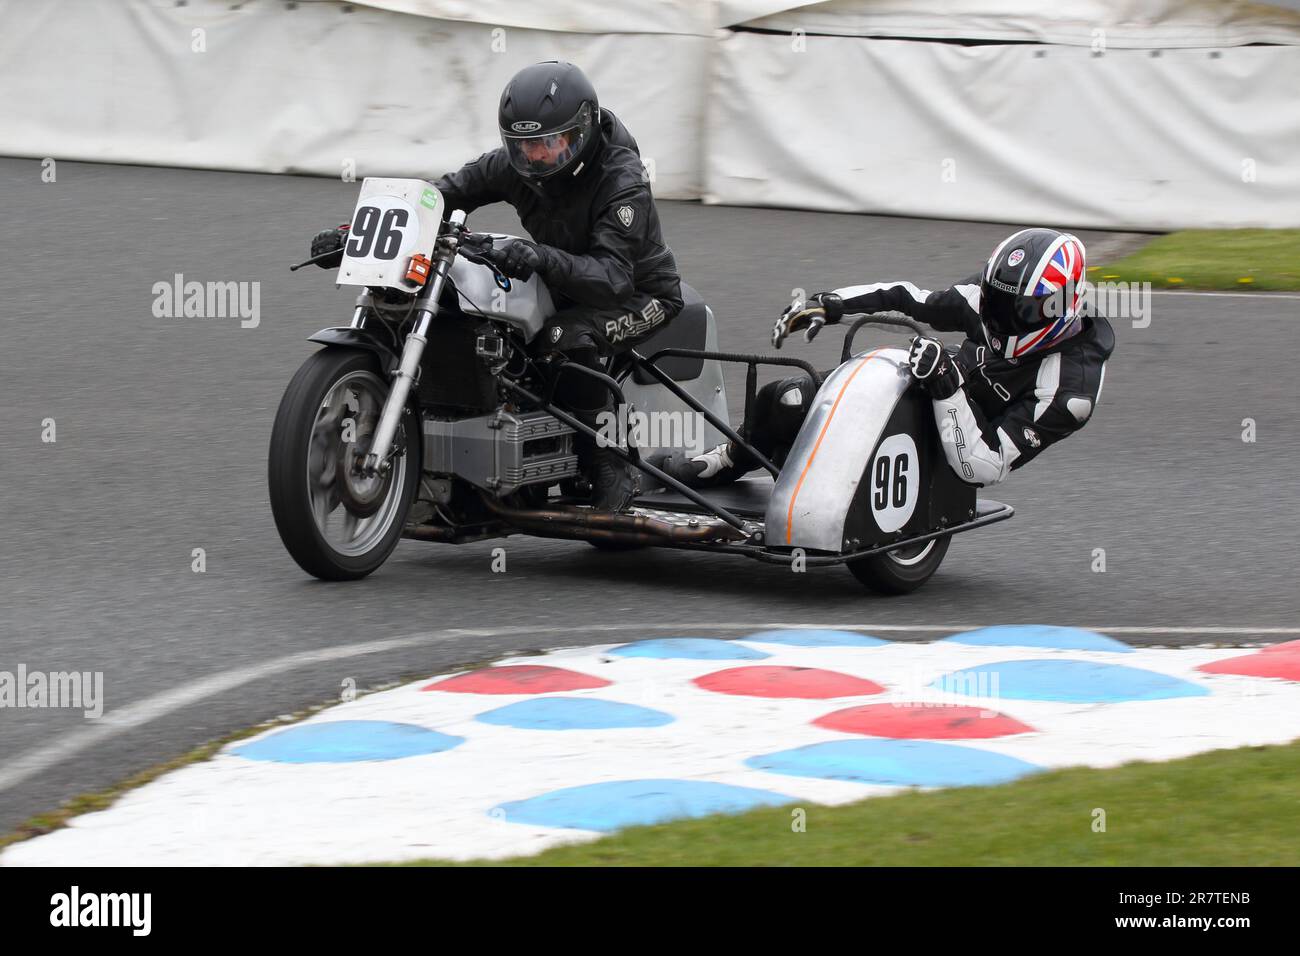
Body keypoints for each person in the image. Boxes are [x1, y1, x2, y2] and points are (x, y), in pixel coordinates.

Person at [309, 60, 682, 511]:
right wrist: (355, 234)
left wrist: (539, 257)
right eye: (524, 146)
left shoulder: (622, 180)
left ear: (581, 132)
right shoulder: (514, 165)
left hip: (639, 293)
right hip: (566, 281)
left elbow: (612, 278)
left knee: (565, 338)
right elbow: (438, 196)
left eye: (550, 143)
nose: (536, 157)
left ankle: (608, 460)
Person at [663, 228, 1113, 488]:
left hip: (962, 441)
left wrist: (946, 386)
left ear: (1061, 307)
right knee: (786, 400)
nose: (998, 317)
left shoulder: (1069, 389)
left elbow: (984, 465)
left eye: (1018, 310)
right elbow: (908, 298)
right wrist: (832, 303)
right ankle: (731, 458)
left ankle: (805, 467)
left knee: (826, 437)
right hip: (936, 377)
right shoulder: (988, 299)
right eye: (996, 301)